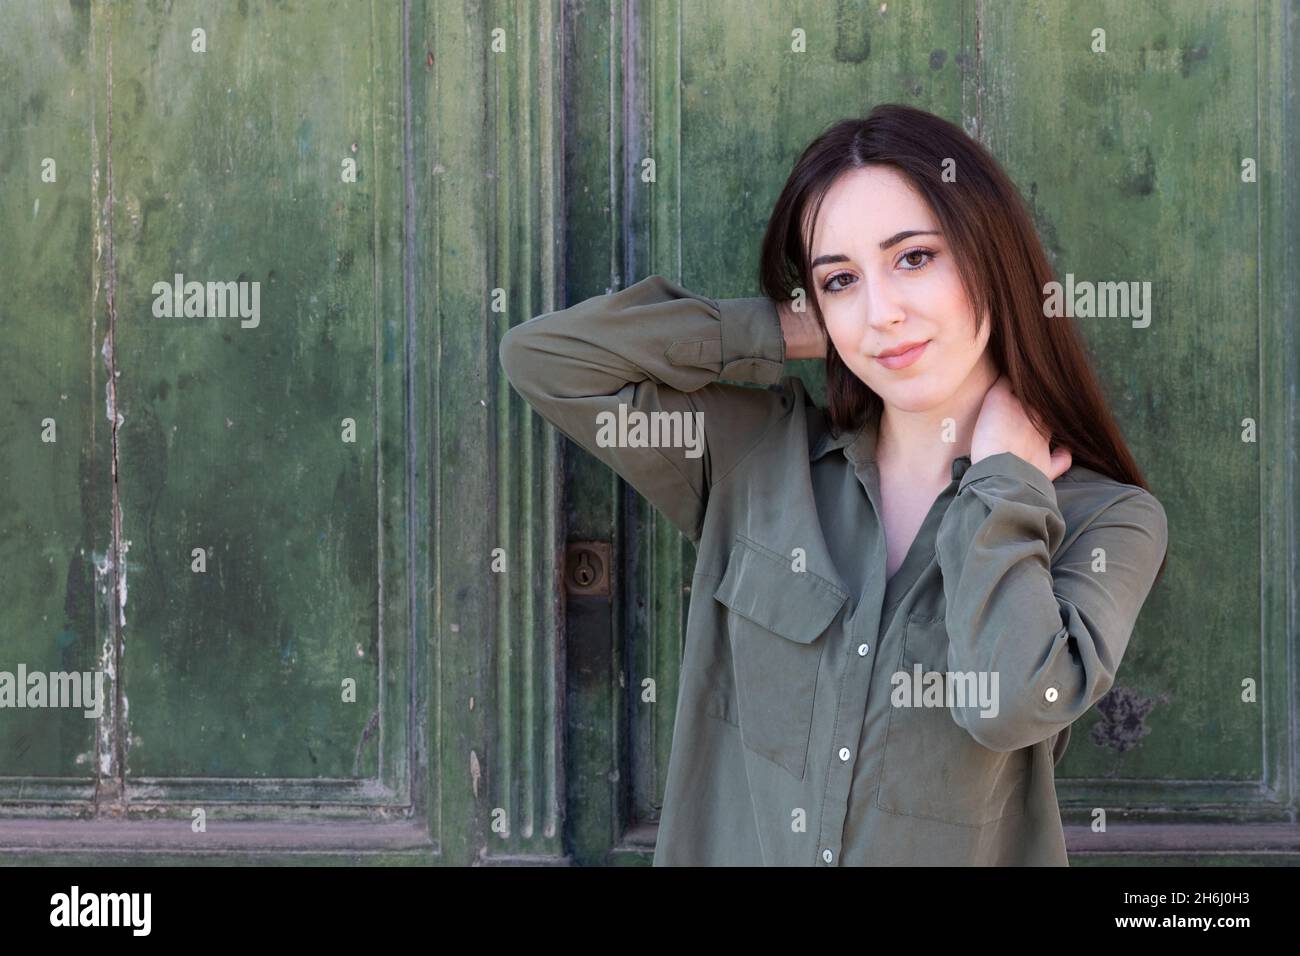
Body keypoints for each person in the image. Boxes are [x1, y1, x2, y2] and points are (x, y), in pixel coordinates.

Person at [499, 104, 1169, 866]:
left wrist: (1005, 484)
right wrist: (796, 331)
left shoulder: (1108, 520)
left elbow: (1012, 702)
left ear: (992, 255)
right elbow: (545, 360)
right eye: (842, 278)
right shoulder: (756, 455)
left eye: (914, 258)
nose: (883, 313)